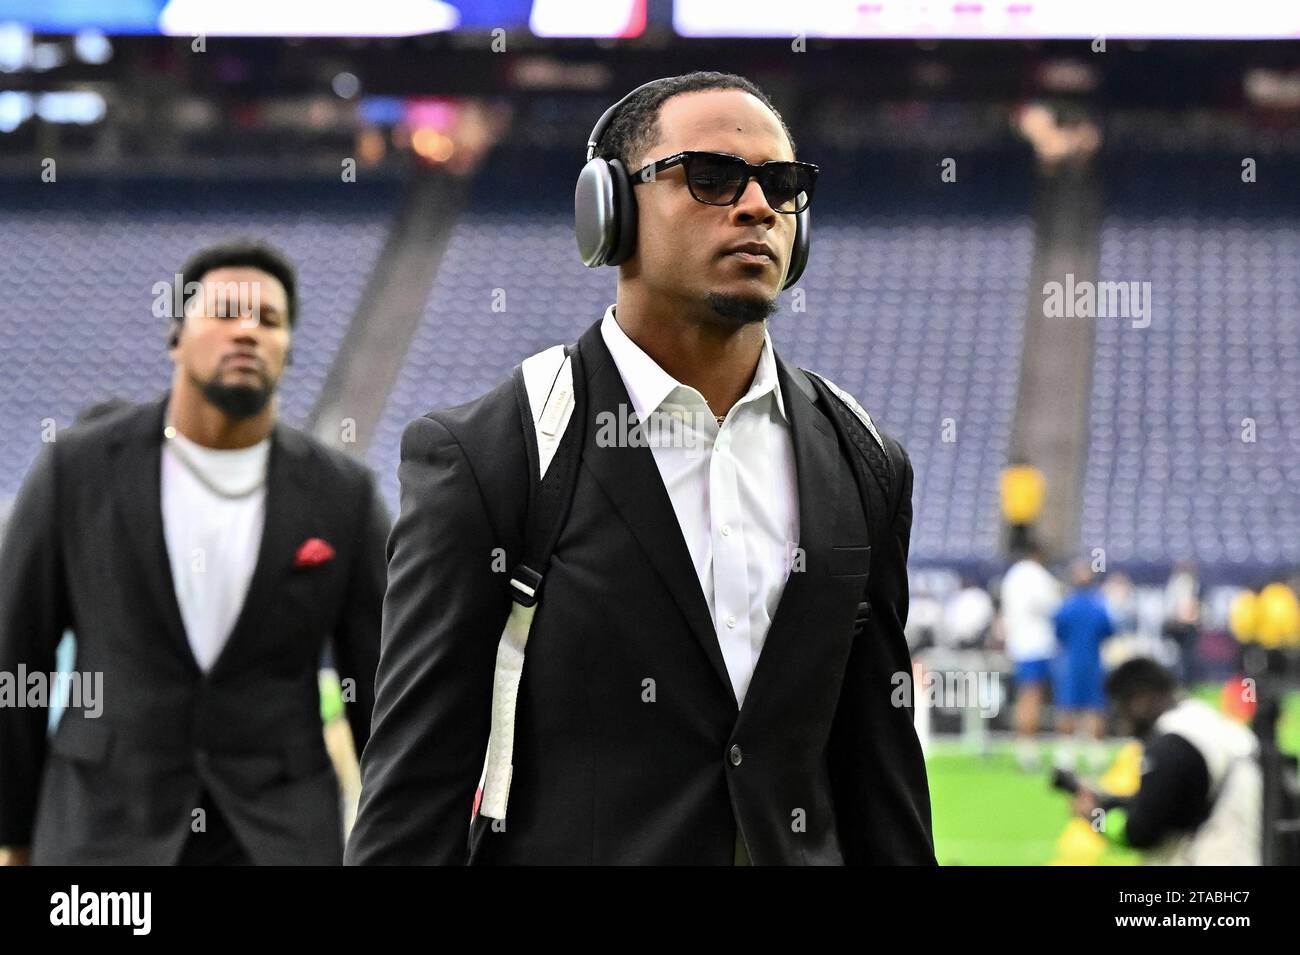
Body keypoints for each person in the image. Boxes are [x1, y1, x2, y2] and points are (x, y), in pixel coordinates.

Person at [346, 72, 935, 865]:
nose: (758, 206)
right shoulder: (491, 453)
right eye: (713, 177)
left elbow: (881, 781)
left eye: (783, 185)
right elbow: (413, 794)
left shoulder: (863, 459)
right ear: (609, 212)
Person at [0, 239, 387, 865]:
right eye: (226, 313)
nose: (247, 332)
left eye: (269, 320)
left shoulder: (342, 494)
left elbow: (380, 686)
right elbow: (16, 659)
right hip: (103, 835)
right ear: (177, 337)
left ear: (287, 352)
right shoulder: (76, 469)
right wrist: (10, 835)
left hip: (276, 839)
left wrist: (400, 842)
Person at [1072, 658, 1261, 865]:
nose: (1118, 719)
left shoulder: (1170, 744)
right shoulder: (1207, 723)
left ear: (1140, 700)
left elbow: (1140, 832)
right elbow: (1177, 803)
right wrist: (1112, 800)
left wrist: (1095, 817)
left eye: (1120, 707)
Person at [1000, 542, 1060, 770]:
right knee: (1031, 697)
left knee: (1026, 696)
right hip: (1036, 645)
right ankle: (1027, 749)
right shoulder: (1038, 576)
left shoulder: (1012, 576)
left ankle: (1025, 747)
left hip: (1019, 644)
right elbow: (1052, 607)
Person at [1051, 561, 1114, 771]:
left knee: (1068, 707)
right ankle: (1096, 754)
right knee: (1094, 708)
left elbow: (1058, 632)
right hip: (1093, 662)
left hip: (1070, 663)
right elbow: (1108, 631)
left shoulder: (1066, 606)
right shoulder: (1099, 605)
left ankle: (1066, 755)